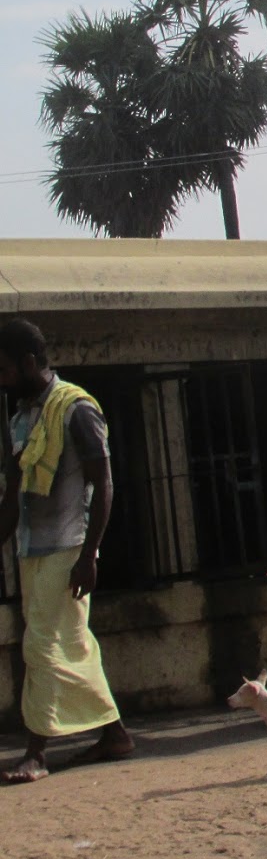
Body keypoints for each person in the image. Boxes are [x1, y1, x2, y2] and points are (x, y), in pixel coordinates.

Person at [0, 317, 134, 782]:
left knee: (40, 646)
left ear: (28, 362)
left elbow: (104, 483)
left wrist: (89, 554)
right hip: (31, 550)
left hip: (67, 546)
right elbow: (12, 493)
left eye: (4, 366)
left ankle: (36, 752)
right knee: (70, 646)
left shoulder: (75, 407)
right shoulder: (18, 416)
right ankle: (115, 734)